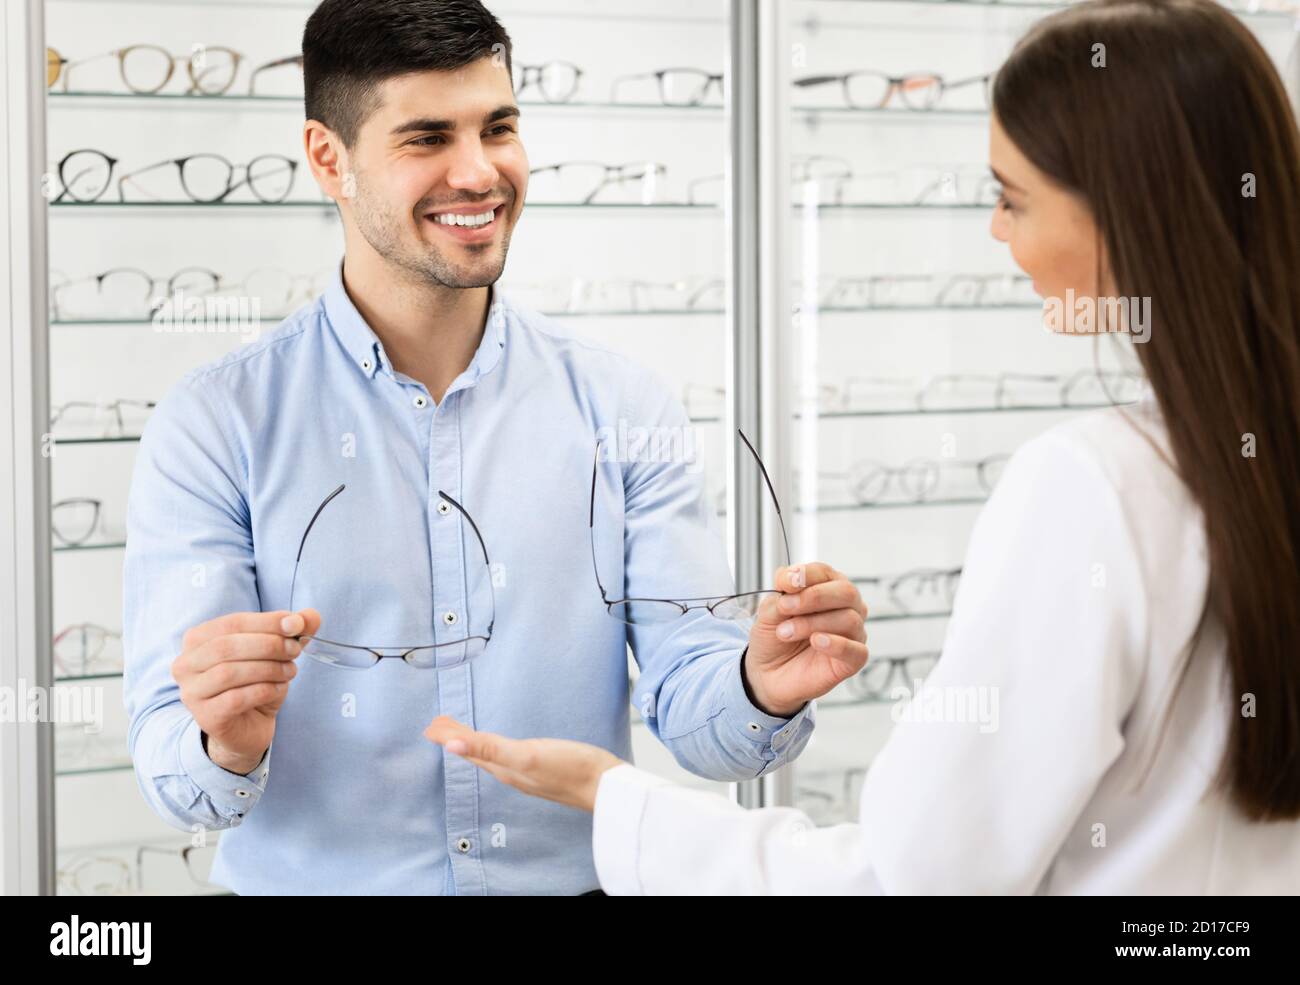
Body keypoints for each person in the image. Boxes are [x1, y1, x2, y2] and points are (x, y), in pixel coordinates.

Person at [426, 0, 1300, 893]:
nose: (998, 232)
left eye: (1012, 197)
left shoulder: (1094, 487)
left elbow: (912, 878)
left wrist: (612, 795)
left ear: (1128, 207)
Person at [122, 0, 869, 895]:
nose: (479, 172)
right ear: (331, 160)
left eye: (499, 127)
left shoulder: (622, 405)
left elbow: (699, 719)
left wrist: (759, 683)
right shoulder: (215, 426)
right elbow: (178, 778)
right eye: (428, 137)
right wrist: (225, 739)